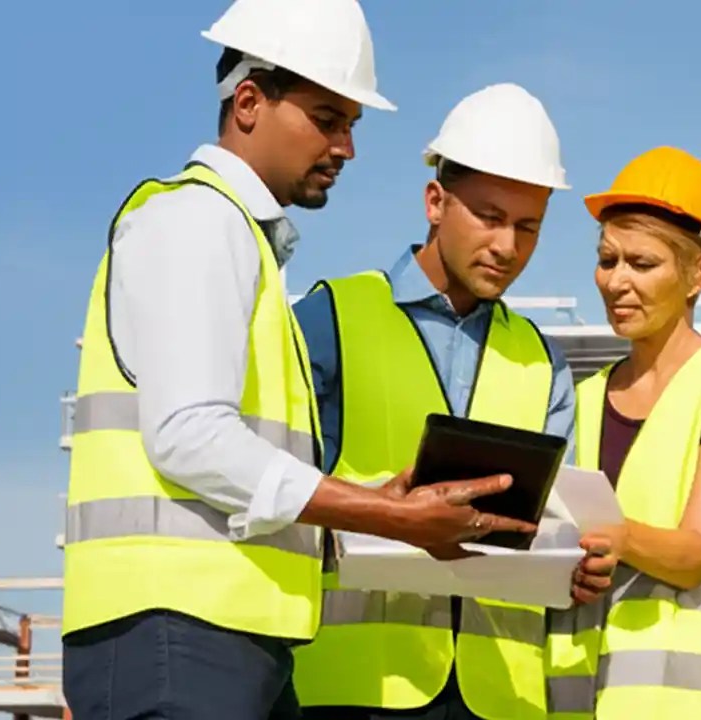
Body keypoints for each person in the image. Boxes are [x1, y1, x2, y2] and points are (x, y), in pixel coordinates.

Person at [60, 3, 537, 719]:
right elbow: (189, 435)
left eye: (351, 124)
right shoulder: (197, 219)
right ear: (247, 101)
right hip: (177, 632)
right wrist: (380, 511)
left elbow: (245, 468)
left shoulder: (239, 240)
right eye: (327, 118)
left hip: (228, 634)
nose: (346, 147)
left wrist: (377, 506)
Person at [289, 82, 618, 720]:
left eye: (529, 227)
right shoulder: (332, 318)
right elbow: (277, 487)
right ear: (435, 201)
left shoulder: (540, 359)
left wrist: (576, 564)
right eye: (490, 218)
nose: (508, 247)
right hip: (358, 686)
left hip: (499, 695)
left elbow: (553, 524)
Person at [544, 146, 701, 719]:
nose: (616, 281)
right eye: (607, 259)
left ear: (700, 273)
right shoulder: (581, 396)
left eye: (642, 264)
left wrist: (615, 538)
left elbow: (697, 550)